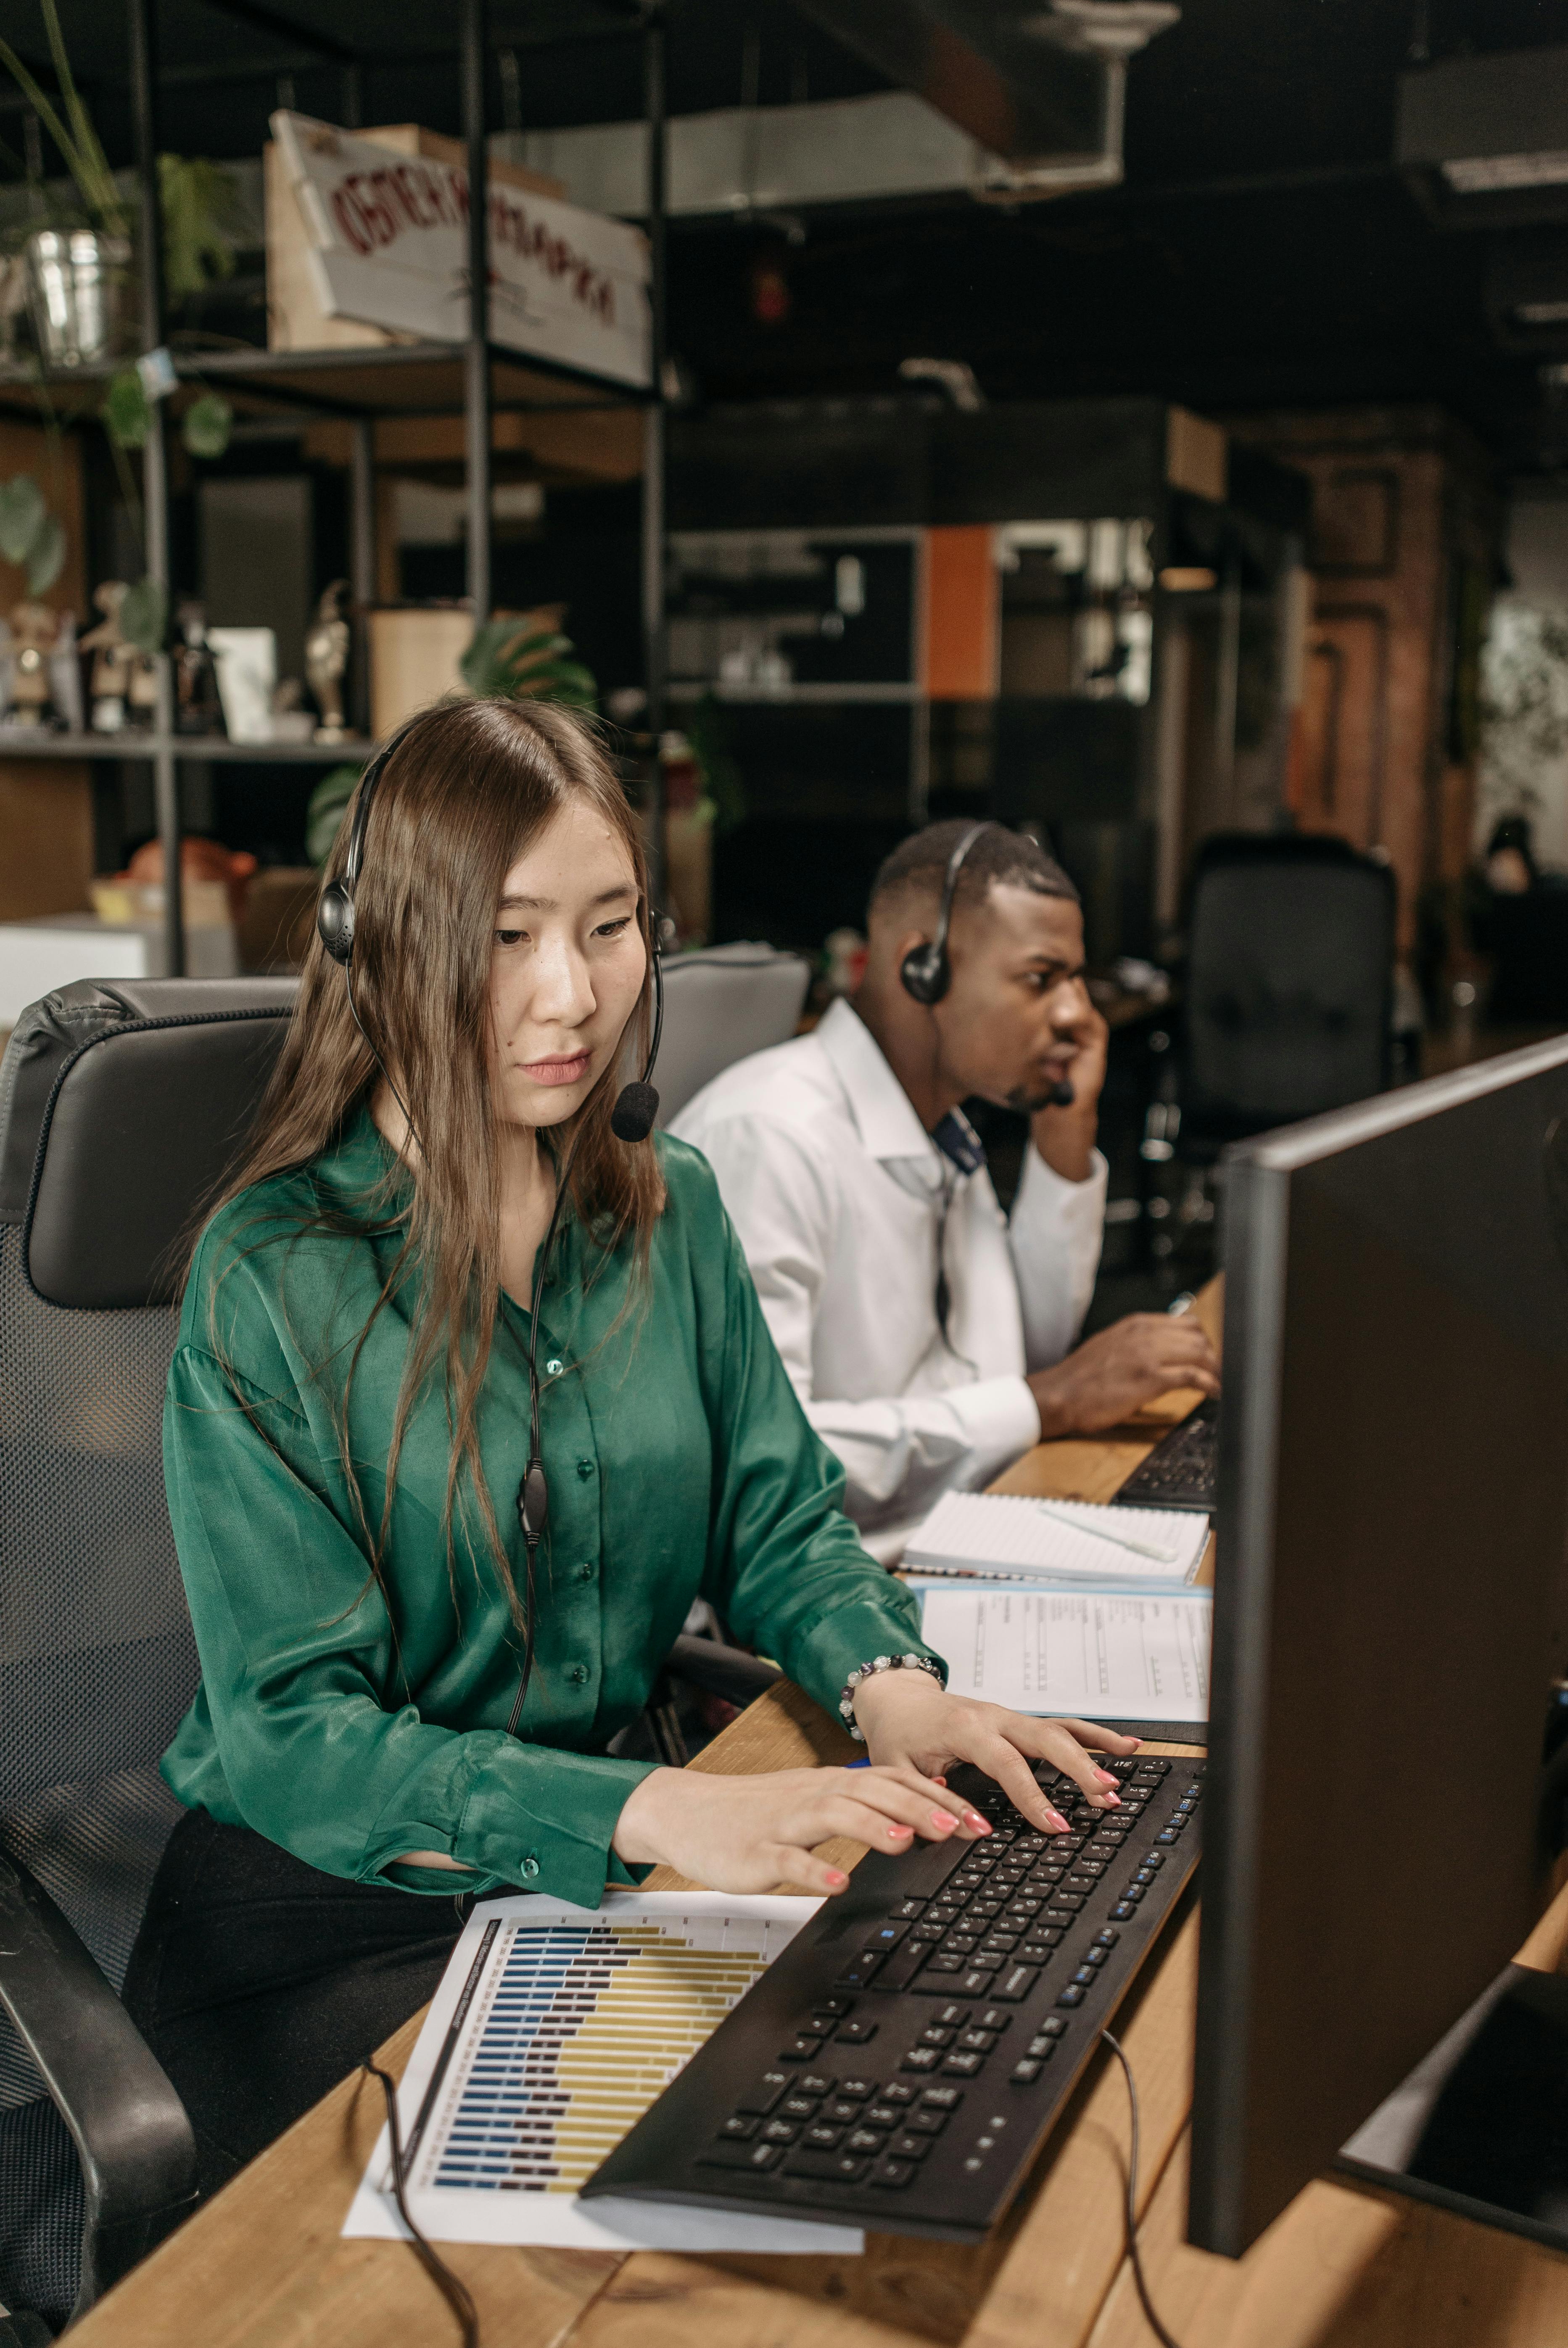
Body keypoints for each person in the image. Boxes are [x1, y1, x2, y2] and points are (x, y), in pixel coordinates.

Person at [124, 701, 1139, 2196]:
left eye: (608, 928)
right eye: (507, 931)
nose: (570, 996)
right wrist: (657, 1808)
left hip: (598, 1878)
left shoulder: (671, 1205)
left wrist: (894, 1685)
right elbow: (291, 1735)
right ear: (388, 938)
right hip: (327, 1919)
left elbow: (781, 1517)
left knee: (894, 2100)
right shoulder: (272, 1271)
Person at [671, 821, 1220, 1560]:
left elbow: (1024, 1351)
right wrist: (1049, 1400)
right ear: (920, 968)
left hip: (971, 1525)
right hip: (836, 1596)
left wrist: (1065, 1136)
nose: (1076, 1015)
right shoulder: (770, 1137)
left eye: (1074, 981)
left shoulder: (939, 1128)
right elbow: (766, 1463)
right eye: (1040, 978)